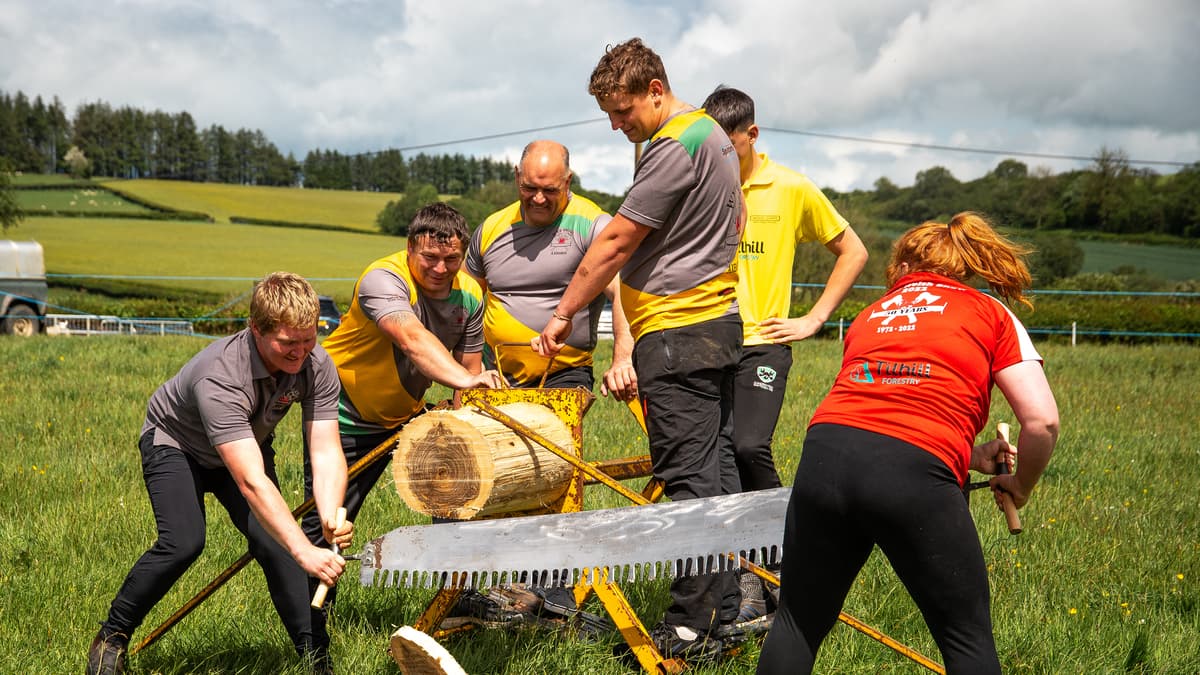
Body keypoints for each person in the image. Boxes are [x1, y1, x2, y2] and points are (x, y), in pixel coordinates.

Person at [756, 212, 1060, 674]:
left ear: (901, 266)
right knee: (965, 638)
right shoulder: (989, 311)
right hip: (912, 471)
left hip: (826, 455)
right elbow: (1041, 423)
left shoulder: (871, 314)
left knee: (797, 622)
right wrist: (1022, 485)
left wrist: (970, 456)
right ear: (964, 265)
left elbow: (882, 406)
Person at [535, 37, 745, 661]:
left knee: (687, 482)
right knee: (717, 478)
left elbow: (617, 240)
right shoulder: (712, 139)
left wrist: (563, 312)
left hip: (678, 335)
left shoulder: (674, 144)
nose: (616, 124)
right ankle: (723, 613)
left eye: (623, 111)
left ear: (656, 90)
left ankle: (689, 626)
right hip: (714, 326)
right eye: (607, 113)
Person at [87, 272, 354, 675]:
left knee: (274, 545)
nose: (300, 353)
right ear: (255, 329)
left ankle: (316, 657)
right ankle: (112, 637)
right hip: (177, 445)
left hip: (247, 443)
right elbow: (250, 480)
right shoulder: (220, 375)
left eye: (307, 339)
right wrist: (305, 550)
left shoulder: (316, 363)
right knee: (184, 542)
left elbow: (324, 448)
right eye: (287, 343)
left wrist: (331, 517)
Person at [299, 202, 502, 661]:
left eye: (451, 259)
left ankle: (455, 602)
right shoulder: (383, 279)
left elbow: (469, 372)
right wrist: (467, 379)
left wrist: (462, 427)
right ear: (410, 248)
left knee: (455, 490)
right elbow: (411, 338)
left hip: (405, 411)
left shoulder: (469, 294)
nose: (439, 268)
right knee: (329, 521)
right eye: (429, 257)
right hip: (345, 412)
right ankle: (311, 626)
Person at [701, 85, 870, 620]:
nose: (722, 160)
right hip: (708, 340)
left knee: (749, 446)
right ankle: (741, 577)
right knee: (717, 457)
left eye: (731, 148)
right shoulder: (700, 184)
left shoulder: (791, 187)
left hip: (764, 344)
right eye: (714, 150)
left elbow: (853, 249)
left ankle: (785, 563)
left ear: (753, 135)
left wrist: (814, 319)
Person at [466, 139, 636, 398]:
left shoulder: (593, 226)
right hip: (496, 375)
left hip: (564, 374)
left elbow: (624, 289)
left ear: (567, 182)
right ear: (516, 177)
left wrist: (622, 359)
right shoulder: (491, 228)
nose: (538, 198)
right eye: (529, 187)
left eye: (550, 190)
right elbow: (466, 303)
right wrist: (472, 371)